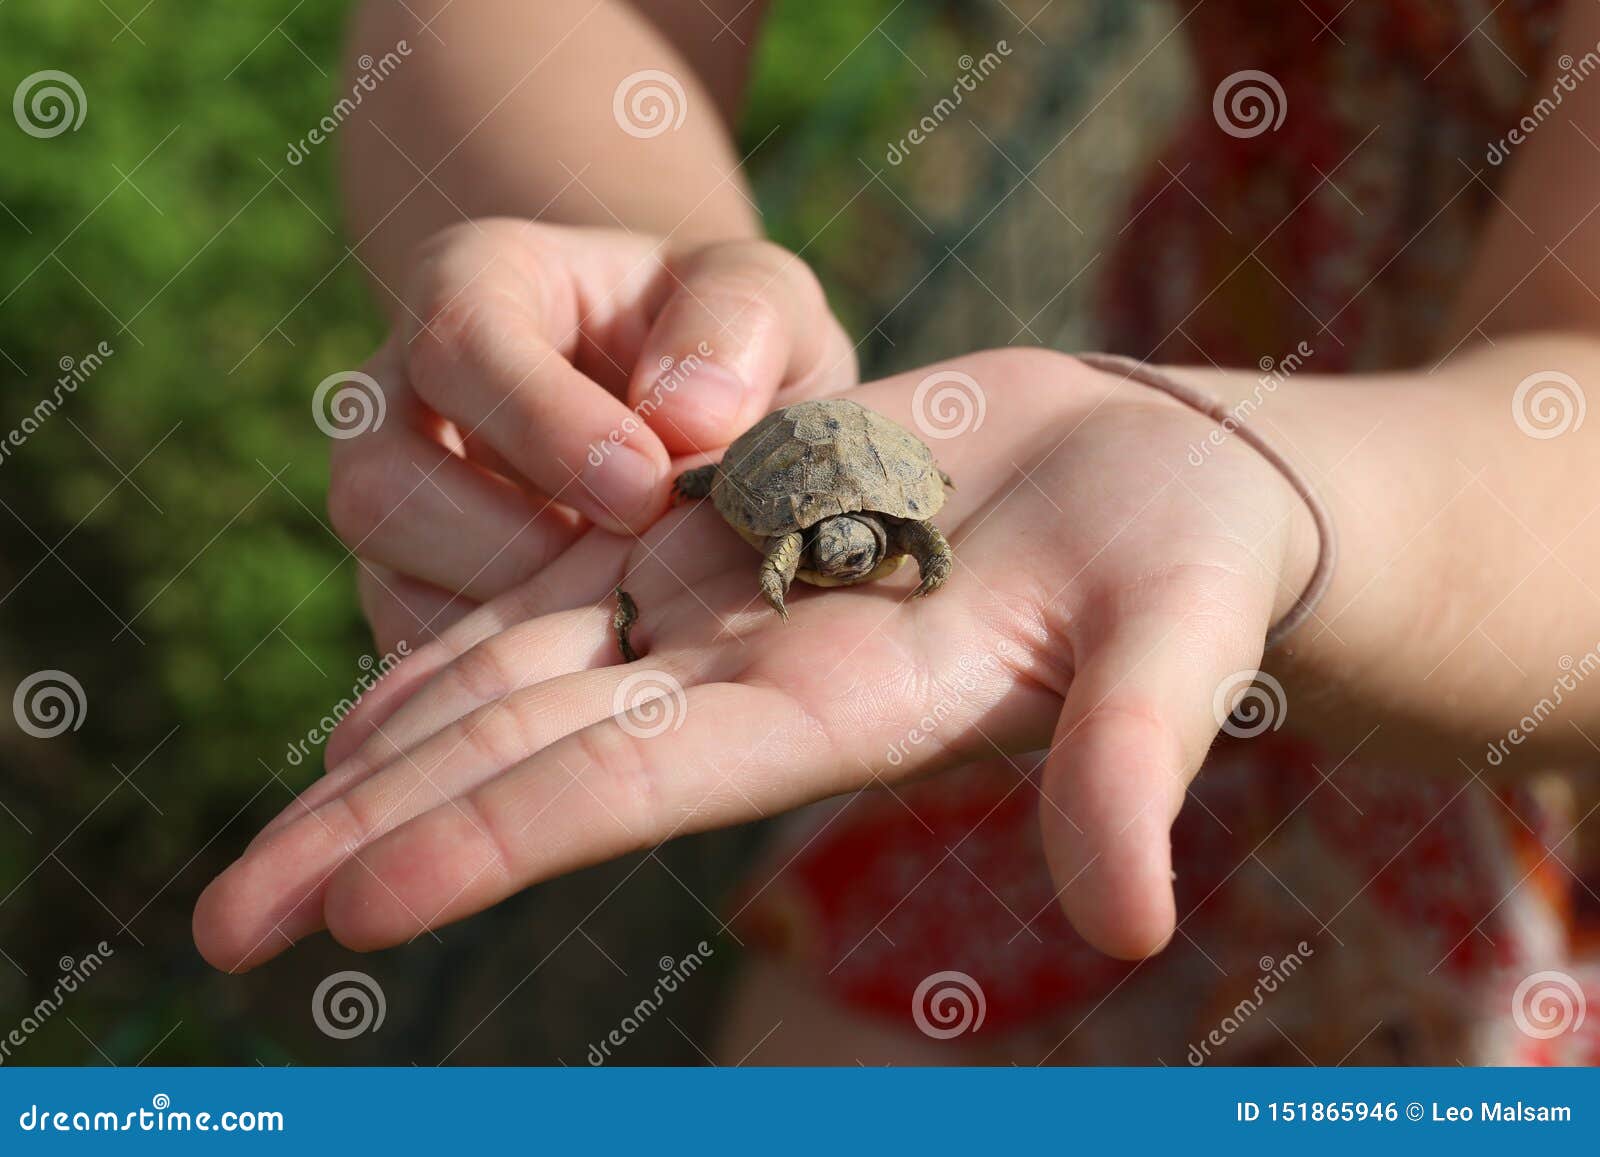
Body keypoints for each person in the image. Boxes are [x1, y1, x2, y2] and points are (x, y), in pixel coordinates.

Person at [196, 0, 1600, 1064]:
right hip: (1215, 332)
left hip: (1506, 593)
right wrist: (672, 307)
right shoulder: (874, 538)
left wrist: (1275, 496)